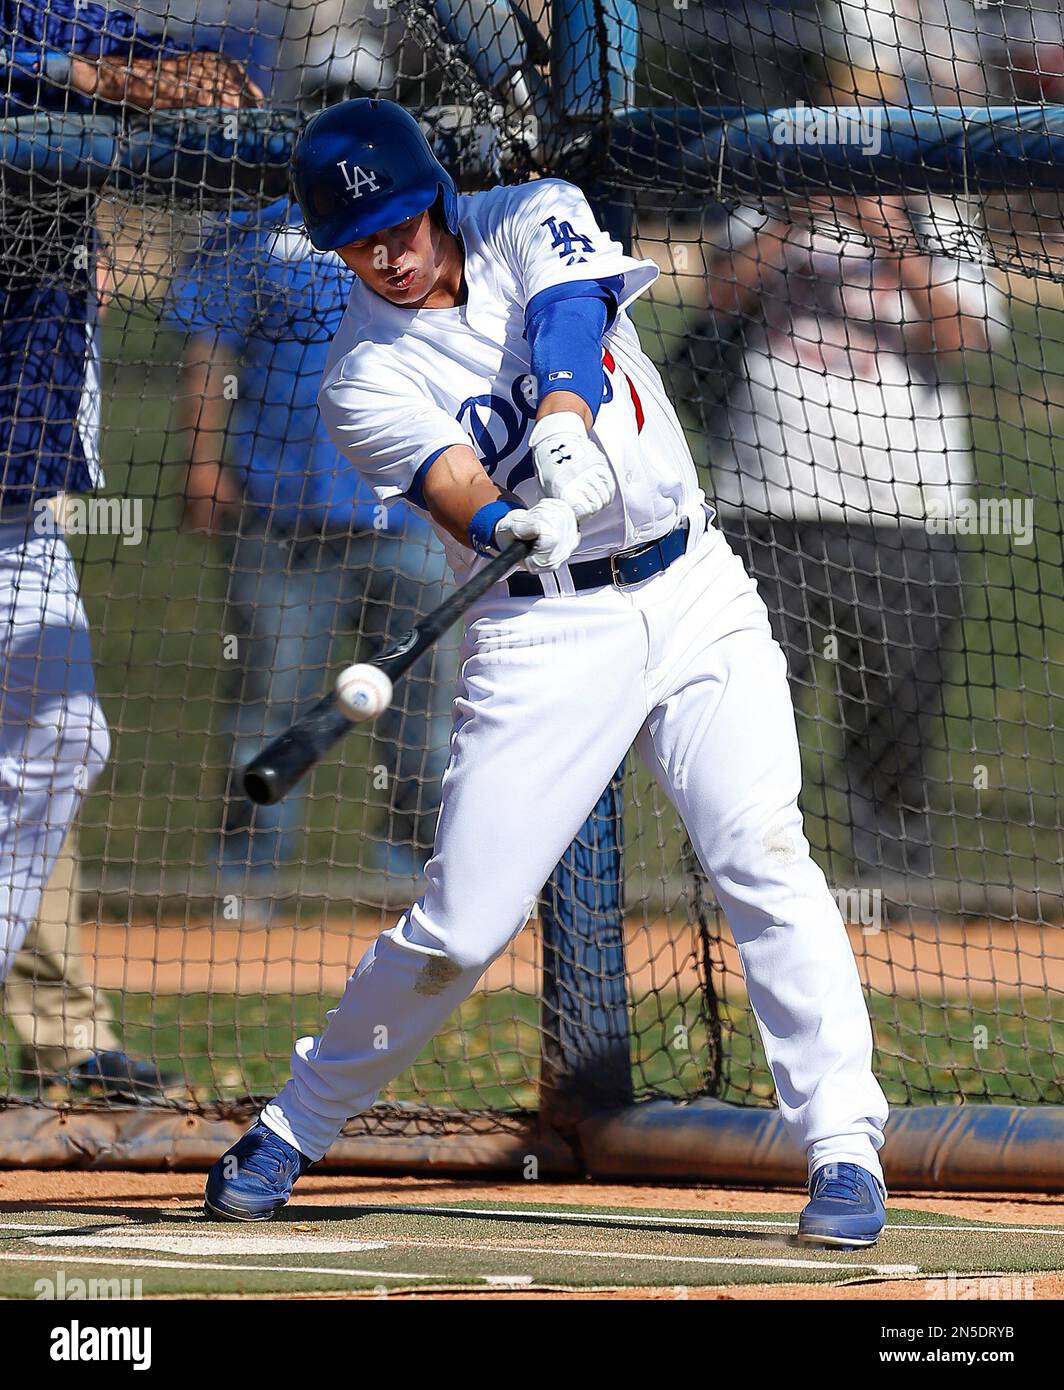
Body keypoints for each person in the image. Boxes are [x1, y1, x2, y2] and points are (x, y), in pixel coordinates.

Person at [204, 98, 890, 1249]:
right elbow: (451, 486)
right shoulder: (359, 378)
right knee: (463, 927)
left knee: (758, 849)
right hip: (541, 634)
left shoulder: (528, 211)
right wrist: (501, 523)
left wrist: (564, 420)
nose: (391, 252)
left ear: (434, 194)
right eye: (361, 240)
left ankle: (840, 1146)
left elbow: (571, 314)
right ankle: (292, 1122)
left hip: (693, 587)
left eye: (403, 222)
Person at [0, 2, 260, 988]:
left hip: (17, 486)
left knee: (64, 737)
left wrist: (115, 76)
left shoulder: (48, 15)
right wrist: (83, 82)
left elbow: (228, 91)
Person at [169, 197, 454, 905]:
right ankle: (244, 889)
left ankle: (419, 889)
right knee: (267, 707)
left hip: (414, 516)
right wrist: (203, 463)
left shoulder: (434, 217)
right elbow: (210, 345)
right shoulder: (256, 231)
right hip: (282, 514)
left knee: (428, 722)